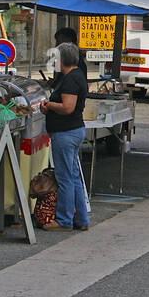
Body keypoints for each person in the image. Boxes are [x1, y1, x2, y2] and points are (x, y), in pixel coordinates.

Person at [39, 41, 91, 231]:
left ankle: (64, 220)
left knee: (65, 177)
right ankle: (82, 219)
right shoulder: (75, 76)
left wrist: (49, 105)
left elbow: (67, 107)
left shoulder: (71, 79)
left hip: (66, 132)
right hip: (73, 130)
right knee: (74, 176)